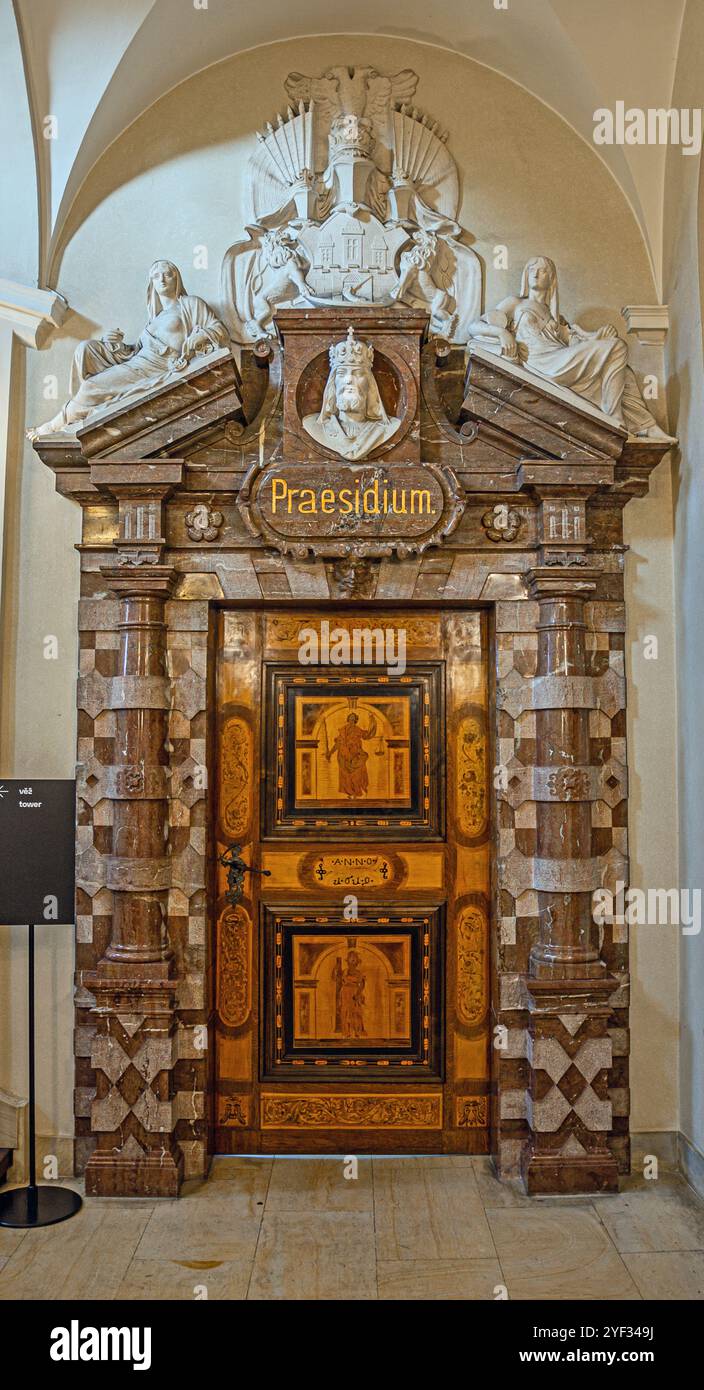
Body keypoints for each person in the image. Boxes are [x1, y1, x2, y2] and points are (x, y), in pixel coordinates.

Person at [467, 255, 671, 438]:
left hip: (561, 357)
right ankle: (616, 418)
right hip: (541, 362)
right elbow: (474, 326)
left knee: (623, 370)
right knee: (617, 348)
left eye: (543, 270)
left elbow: (582, 339)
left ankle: (646, 425)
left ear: (551, 279)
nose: (536, 273)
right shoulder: (515, 304)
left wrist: (602, 336)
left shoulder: (558, 319)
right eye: (531, 269)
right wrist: (502, 333)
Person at [28, 260, 229, 438]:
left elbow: (218, 330)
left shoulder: (190, 305)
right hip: (140, 363)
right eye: (156, 276)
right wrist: (114, 344)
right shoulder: (154, 320)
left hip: (159, 366)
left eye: (168, 274)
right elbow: (134, 352)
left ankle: (55, 425)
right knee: (86, 348)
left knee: (91, 387)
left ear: (177, 278)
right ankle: (68, 420)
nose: (163, 279)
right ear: (151, 283)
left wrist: (193, 343)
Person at [303, 326, 401, 460]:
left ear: (369, 385)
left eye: (358, 374)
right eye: (342, 374)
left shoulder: (389, 428)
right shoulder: (312, 426)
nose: (349, 380)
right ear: (333, 383)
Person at [326, 710, 376, 798]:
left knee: (357, 774)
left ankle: (356, 792)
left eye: (353, 719)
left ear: (356, 721)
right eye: (350, 719)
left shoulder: (358, 730)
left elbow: (368, 735)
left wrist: (372, 720)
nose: (351, 721)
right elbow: (338, 744)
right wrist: (330, 752)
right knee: (346, 776)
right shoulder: (343, 730)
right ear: (348, 720)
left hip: (356, 755)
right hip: (344, 756)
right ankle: (350, 793)